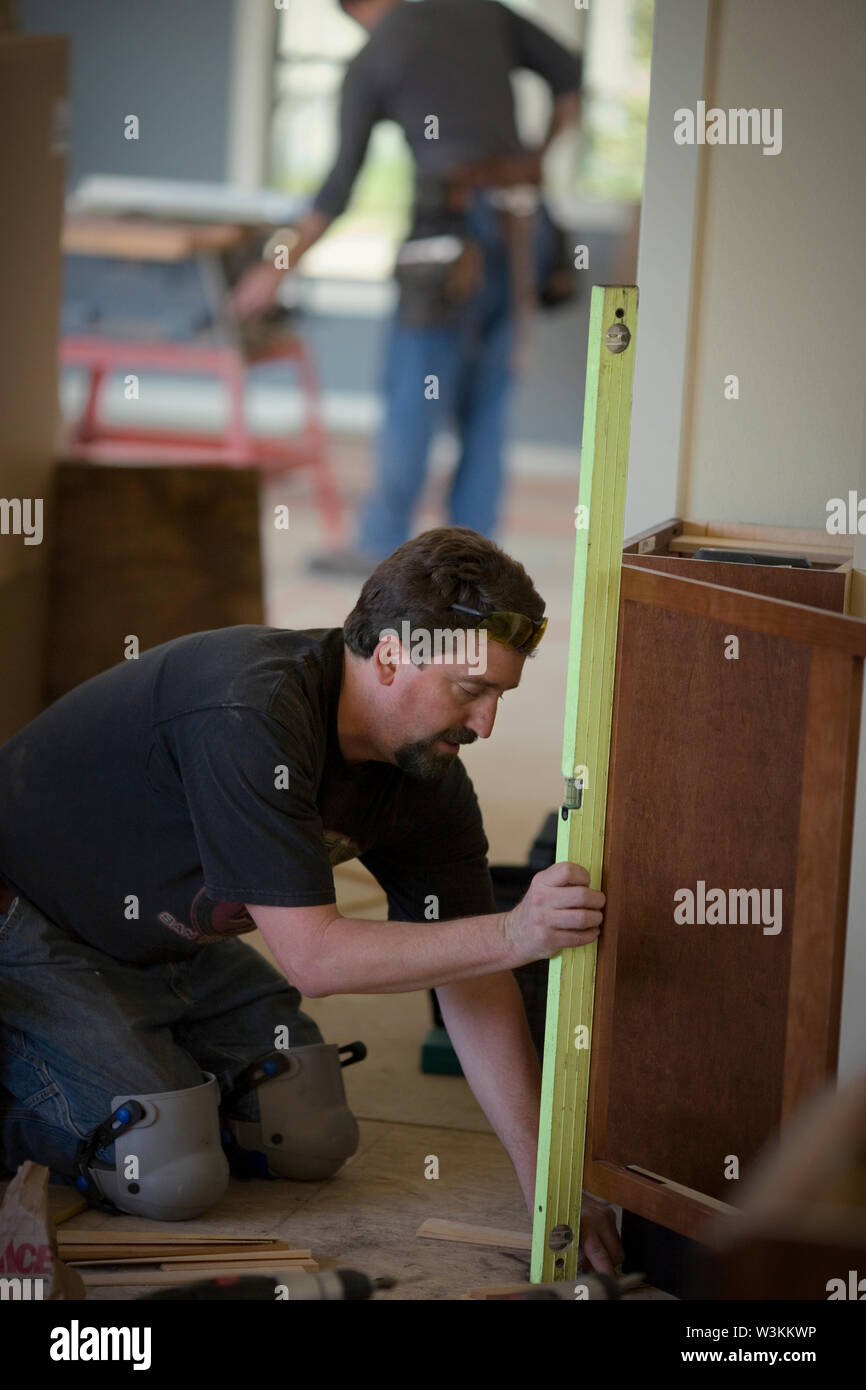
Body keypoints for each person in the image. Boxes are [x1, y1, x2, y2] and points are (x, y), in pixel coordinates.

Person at [0, 527, 620, 1270]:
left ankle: (137, 1070)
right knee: (167, 1172)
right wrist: (515, 933)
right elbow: (315, 960)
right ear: (392, 655)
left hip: (164, 946)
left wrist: (545, 1184)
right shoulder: (253, 708)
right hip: (29, 924)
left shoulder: (427, 776)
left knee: (309, 1131)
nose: (486, 724)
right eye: (471, 690)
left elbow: (473, 974)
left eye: (499, 694)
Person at [232, 0, 582, 576]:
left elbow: (337, 189)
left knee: (412, 395)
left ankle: (380, 546)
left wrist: (275, 264)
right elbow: (569, 72)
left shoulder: (373, 58)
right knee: (490, 400)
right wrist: (538, 158)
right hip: (523, 226)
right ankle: (475, 560)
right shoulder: (480, 11)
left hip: (444, 235)